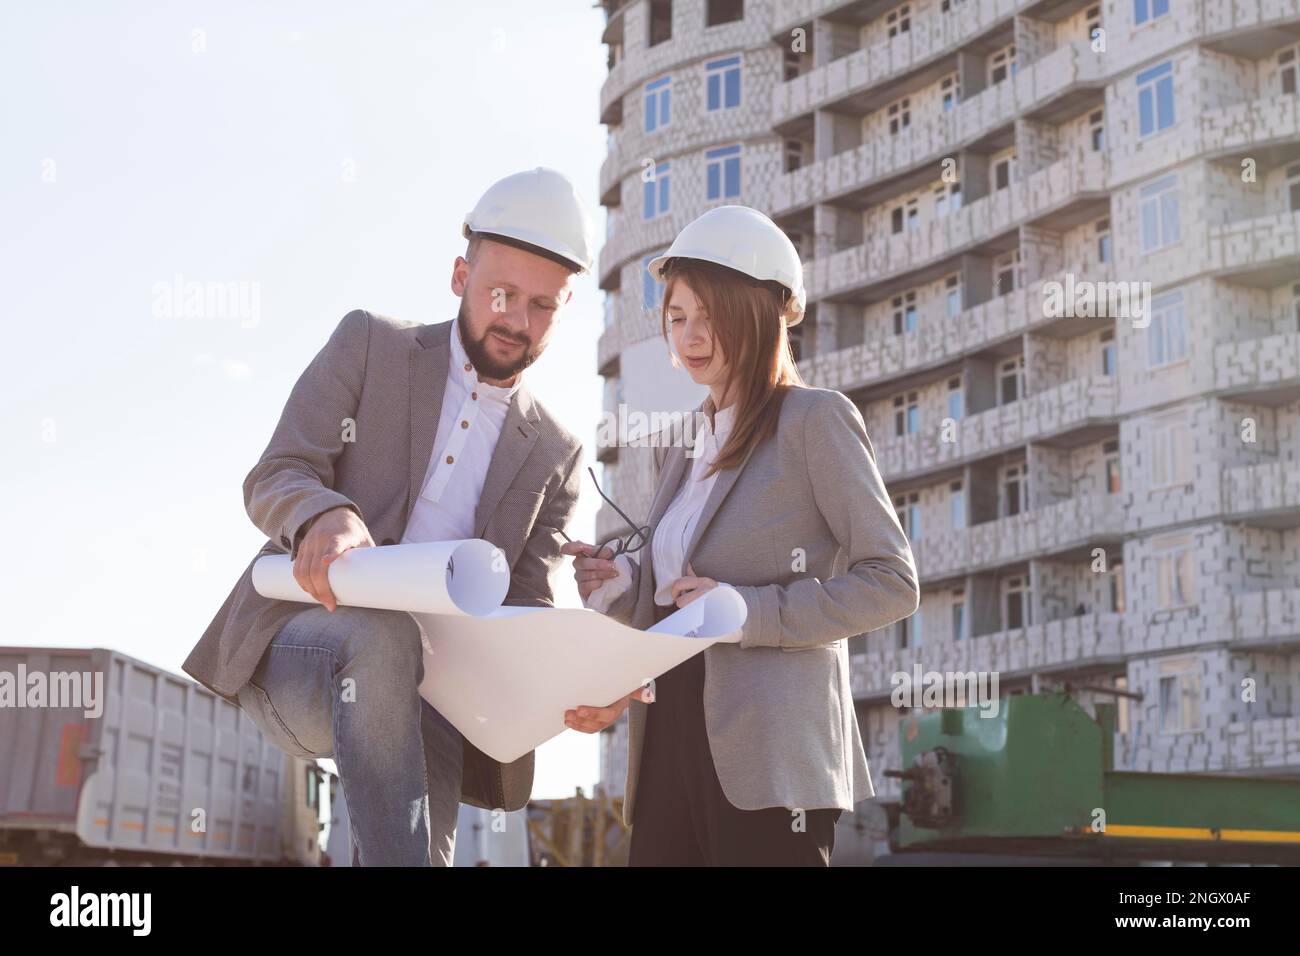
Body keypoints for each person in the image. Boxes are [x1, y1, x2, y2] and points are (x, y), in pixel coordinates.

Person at [184, 167, 594, 865]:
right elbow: (277, 472)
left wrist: (568, 687)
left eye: (543, 306)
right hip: (304, 652)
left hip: (432, 693)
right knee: (382, 636)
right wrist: (323, 517)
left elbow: (521, 606)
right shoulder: (371, 345)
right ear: (461, 275)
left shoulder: (555, 450)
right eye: (502, 293)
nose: (517, 320)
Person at [561, 205, 919, 866]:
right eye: (677, 318)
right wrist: (627, 585)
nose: (690, 336)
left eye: (711, 316)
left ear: (758, 314)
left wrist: (747, 612)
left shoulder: (815, 421)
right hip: (667, 737)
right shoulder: (675, 446)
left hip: (771, 761)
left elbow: (892, 583)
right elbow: (679, 598)